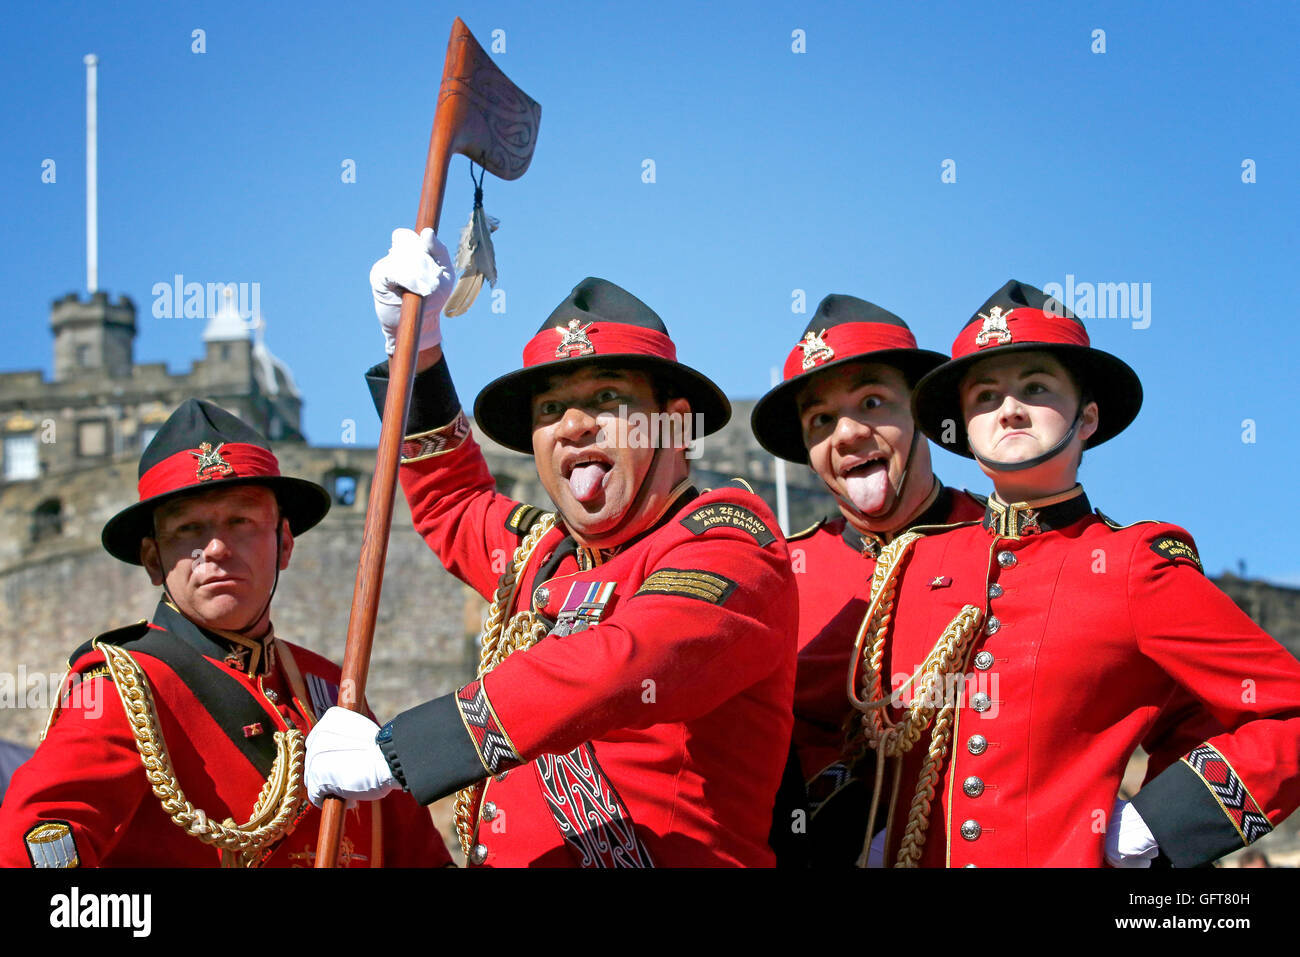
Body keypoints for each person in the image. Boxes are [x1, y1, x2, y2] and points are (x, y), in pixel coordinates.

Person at [305, 228, 797, 867]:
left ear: (675, 420)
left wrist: (411, 748)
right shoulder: (544, 556)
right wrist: (416, 346)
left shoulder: (730, 540)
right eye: (552, 406)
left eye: (607, 398)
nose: (572, 425)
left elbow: (624, 661)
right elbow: (451, 501)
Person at [849, 279, 1300, 867]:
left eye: (1035, 388)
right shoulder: (911, 566)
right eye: (984, 396)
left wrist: (1157, 825)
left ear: (1086, 419)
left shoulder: (1136, 564)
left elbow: (1285, 712)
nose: (1007, 408)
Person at [0, 399, 448, 867]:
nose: (215, 548)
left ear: (284, 544)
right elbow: (37, 839)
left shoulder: (332, 688)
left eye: (241, 522)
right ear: (155, 561)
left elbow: (416, 852)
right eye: (188, 529)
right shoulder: (125, 689)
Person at [749, 294, 983, 864]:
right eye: (820, 420)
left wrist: (1154, 826)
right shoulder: (776, 574)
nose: (847, 434)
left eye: (872, 402)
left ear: (922, 414)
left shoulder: (1014, 547)